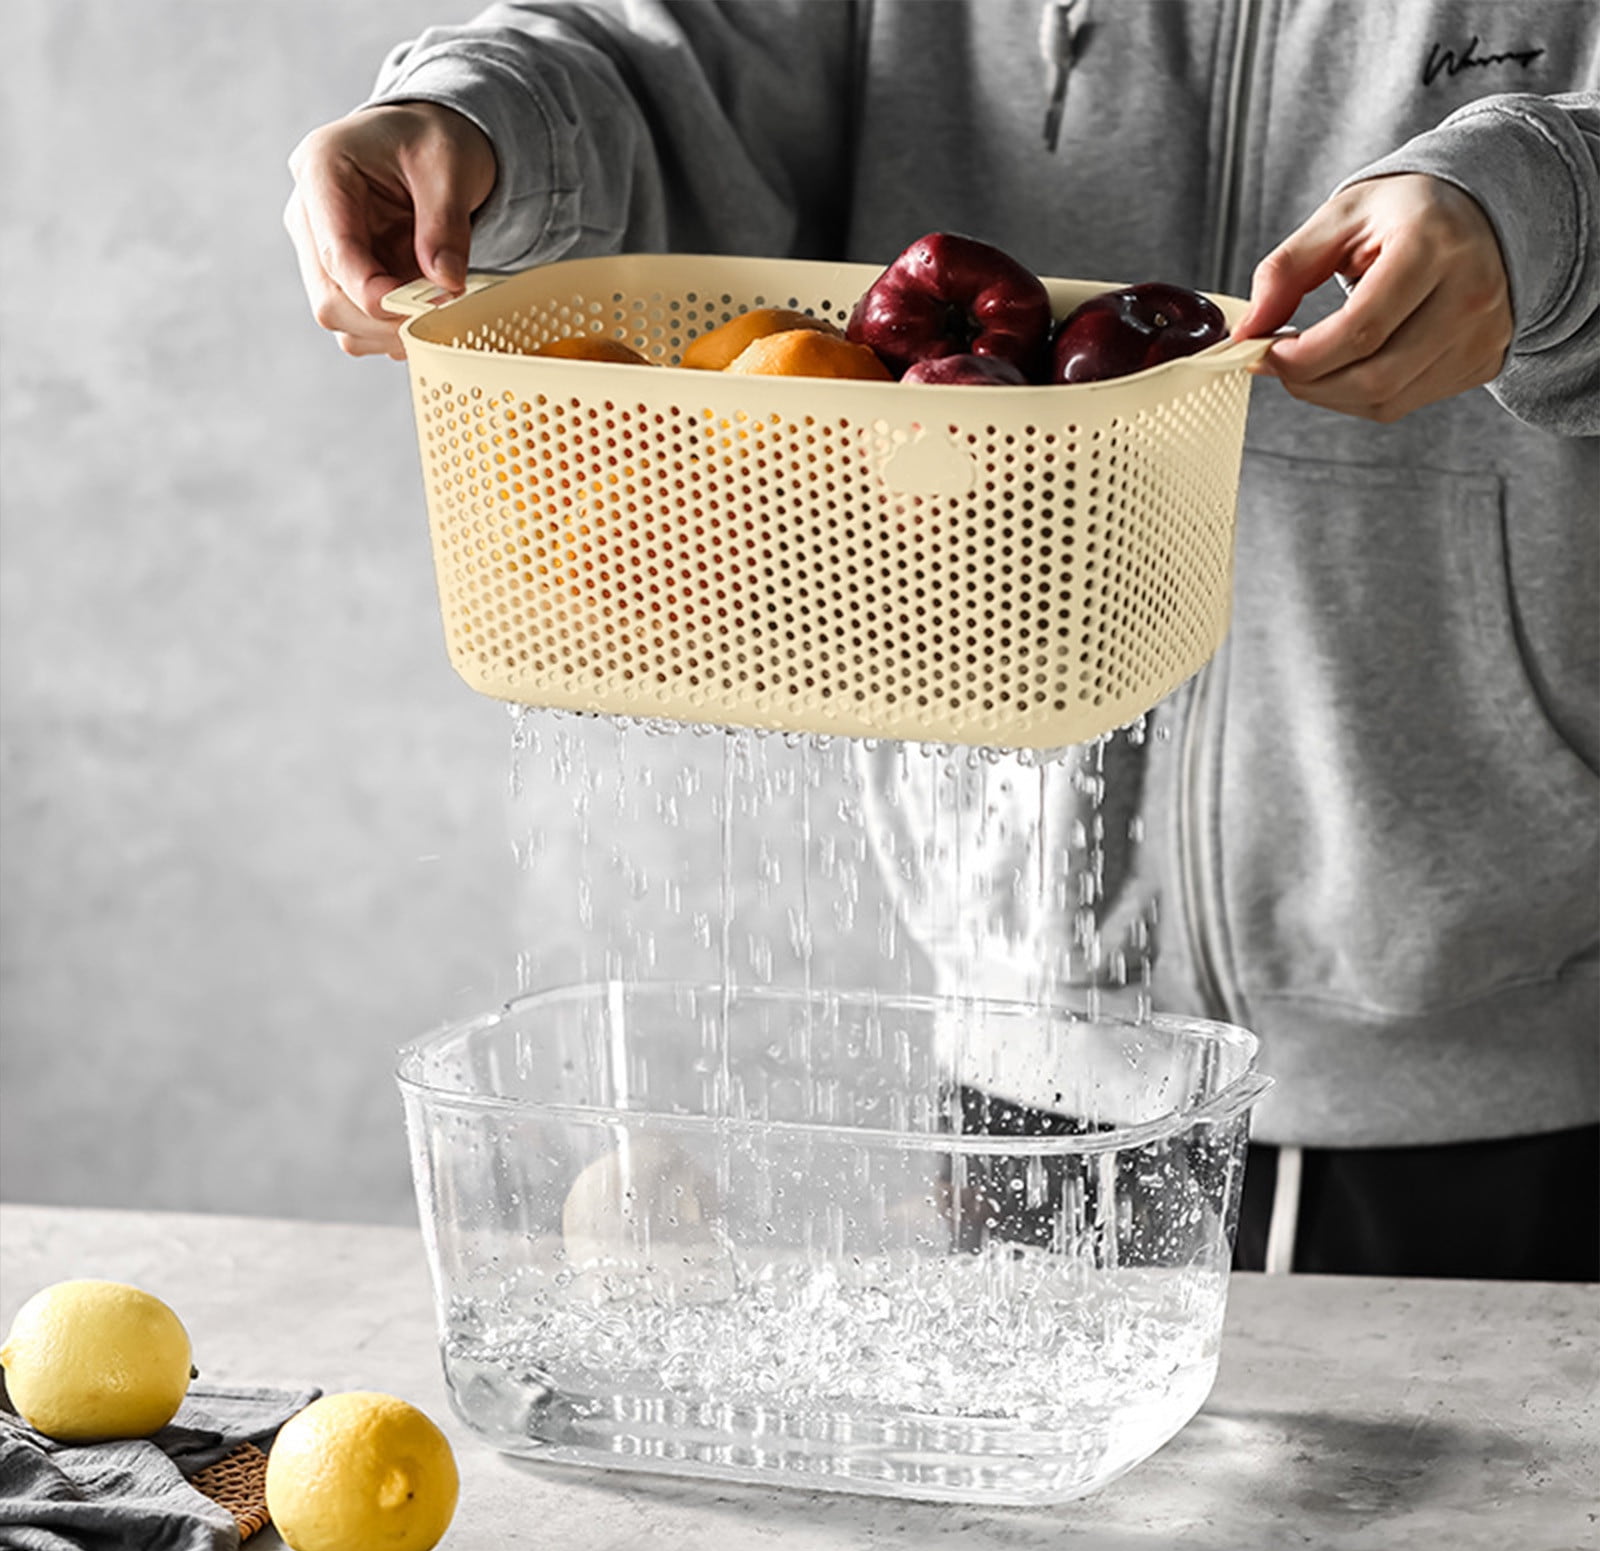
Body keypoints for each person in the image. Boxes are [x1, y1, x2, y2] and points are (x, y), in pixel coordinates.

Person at [285, 1, 1599, 1280]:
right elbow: (670, 53)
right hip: (1020, 1012)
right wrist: (474, 115)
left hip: (1508, 1055)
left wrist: (1540, 204)